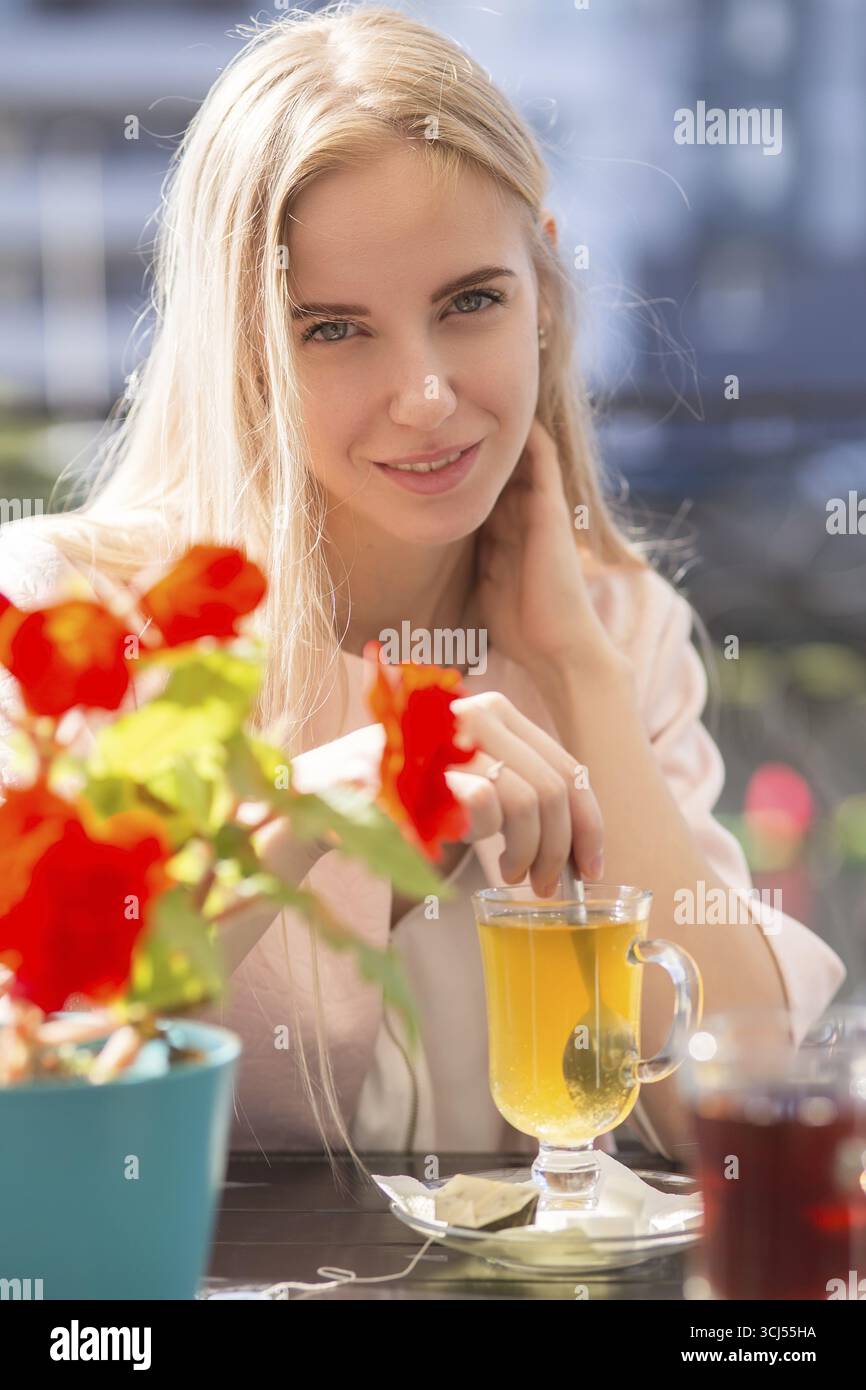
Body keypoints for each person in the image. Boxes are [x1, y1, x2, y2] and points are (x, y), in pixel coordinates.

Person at [0, 5, 844, 1173]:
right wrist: (309, 811)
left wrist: (579, 674)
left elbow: (731, 1101)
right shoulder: (68, 620)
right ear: (242, 348)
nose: (426, 394)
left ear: (544, 283)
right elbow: (49, 1079)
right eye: (334, 328)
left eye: (470, 301)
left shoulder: (613, 626)